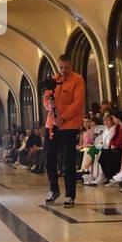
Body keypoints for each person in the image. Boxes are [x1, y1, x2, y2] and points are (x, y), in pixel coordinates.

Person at [44, 56, 85, 206]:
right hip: (51, 125)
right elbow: (46, 99)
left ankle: (70, 194)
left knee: (68, 161)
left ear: (71, 66)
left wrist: (63, 117)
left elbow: (77, 102)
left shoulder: (77, 80)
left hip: (69, 125)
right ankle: (53, 189)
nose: (63, 71)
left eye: (66, 67)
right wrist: (49, 104)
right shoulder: (54, 80)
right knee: (49, 159)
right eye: (61, 67)